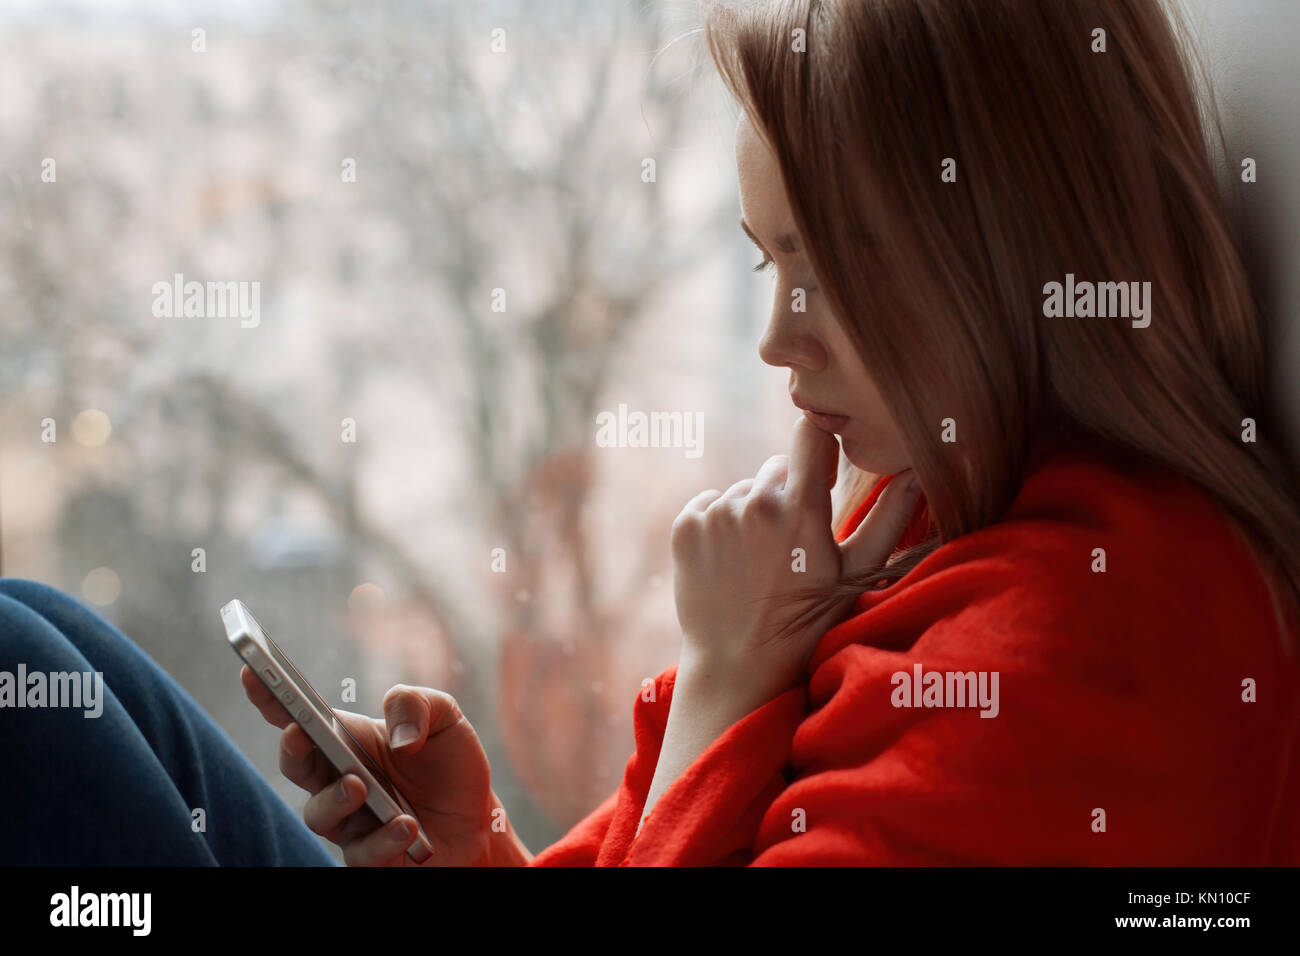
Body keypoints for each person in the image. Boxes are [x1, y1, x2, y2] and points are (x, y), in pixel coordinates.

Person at [3, 0, 1299, 866]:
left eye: (828, 270)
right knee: (35, 637)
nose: (780, 341)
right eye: (763, 267)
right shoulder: (919, 520)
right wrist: (476, 852)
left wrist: (727, 682)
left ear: (1004, 251)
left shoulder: (1077, 655)